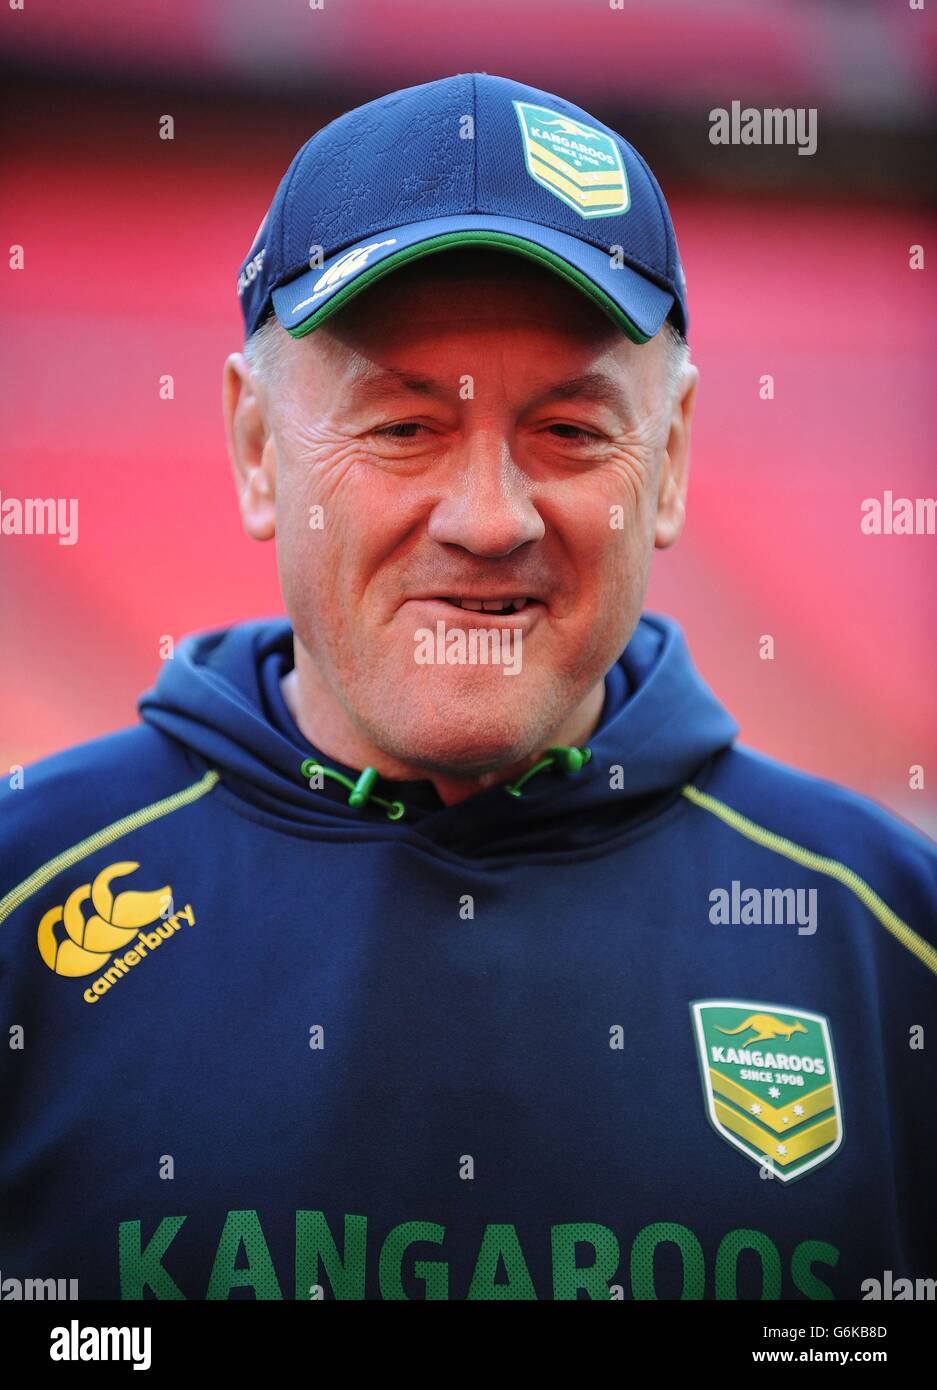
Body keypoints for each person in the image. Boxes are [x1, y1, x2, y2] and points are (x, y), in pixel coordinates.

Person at [1, 73, 934, 1303]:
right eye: (400, 429)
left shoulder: (890, 936)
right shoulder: (24, 896)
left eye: (569, 432)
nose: (489, 519)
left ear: (669, 464)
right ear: (255, 447)